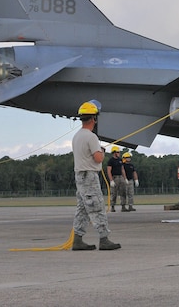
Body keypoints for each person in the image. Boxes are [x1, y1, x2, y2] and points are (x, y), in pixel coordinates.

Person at [72, 100, 121, 251]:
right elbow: (98, 158)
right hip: (89, 177)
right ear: (94, 118)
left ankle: (77, 240)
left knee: (82, 208)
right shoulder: (91, 137)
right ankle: (104, 239)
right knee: (97, 207)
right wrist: (101, 151)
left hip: (80, 176)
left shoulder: (77, 136)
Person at [106, 146, 127, 212]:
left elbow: (122, 169)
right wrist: (111, 180)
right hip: (114, 178)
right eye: (118, 152)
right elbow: (109, 170)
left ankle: (123, 206)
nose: (119, 153)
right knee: (114, 193)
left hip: (121, 177)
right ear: (114, 153)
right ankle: (112, 206)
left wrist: (125, 178)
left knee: (123, 192)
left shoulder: (120, 160)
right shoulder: (111, 161)